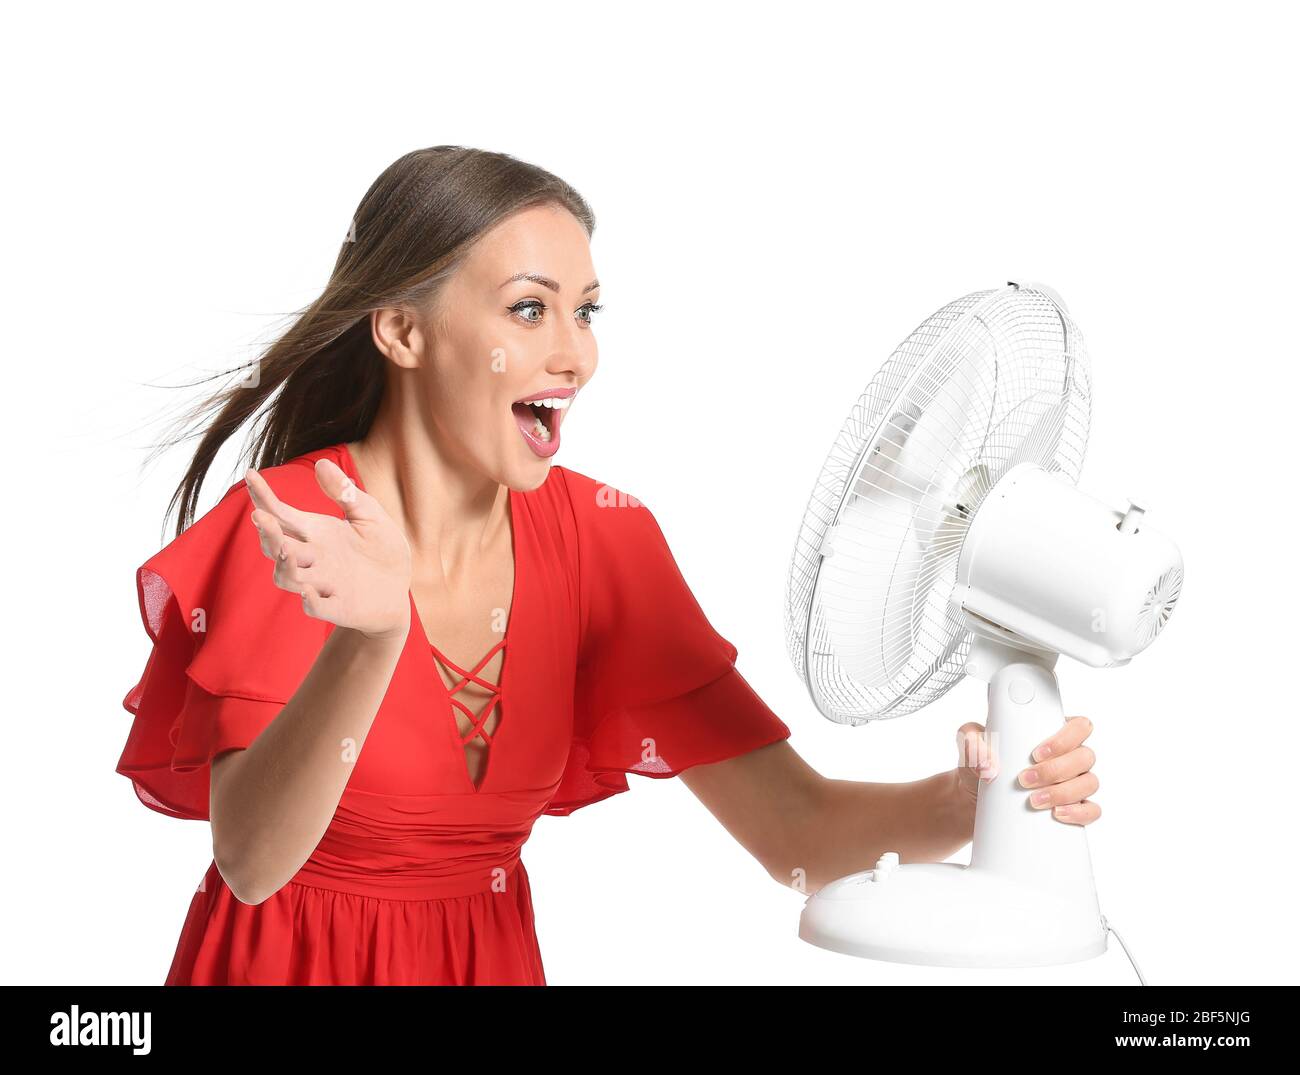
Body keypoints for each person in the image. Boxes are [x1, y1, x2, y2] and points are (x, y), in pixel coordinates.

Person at [117, 145, 1102, 985]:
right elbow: (250, 860)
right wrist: (371, 637)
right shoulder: (299, 523)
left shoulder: (605, 539)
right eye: (528, 310)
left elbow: (797, 839)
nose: (575, 357)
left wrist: (974, 800)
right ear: (403, 331)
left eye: (586, 312)